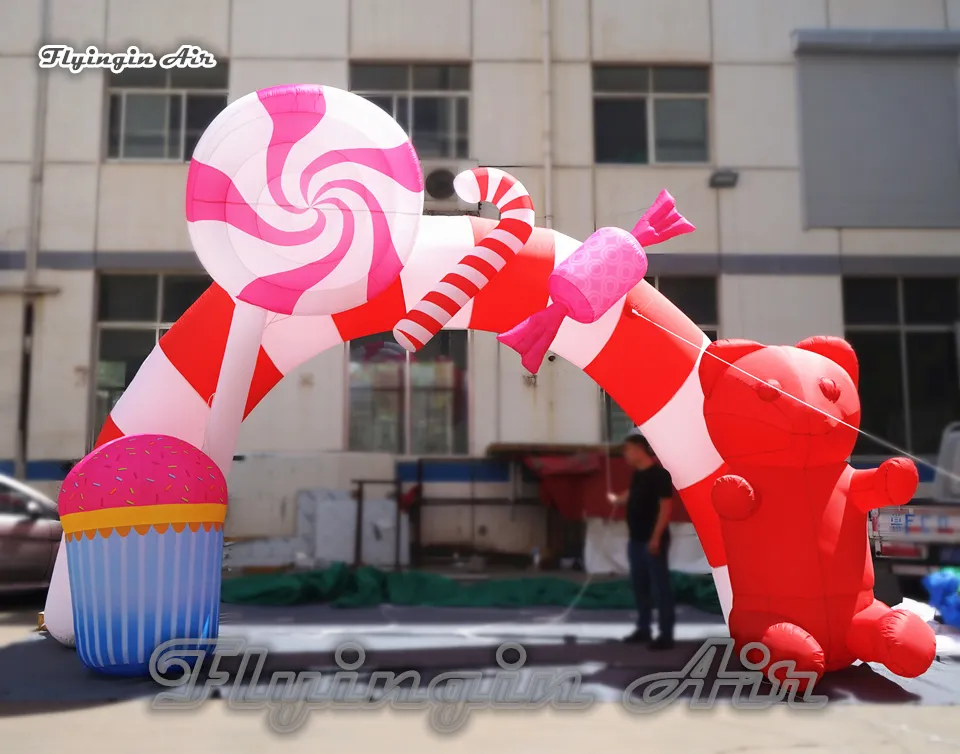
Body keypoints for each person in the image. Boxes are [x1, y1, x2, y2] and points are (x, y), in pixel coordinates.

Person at [608, 428, 676, 649]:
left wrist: (655, 538)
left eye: (627, 450)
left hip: (652, 540)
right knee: (640, 586)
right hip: (635, 540)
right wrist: (618, 500)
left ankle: (665, 634)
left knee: (660, 587)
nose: (625, 455)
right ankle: (644, 628)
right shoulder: (638, 475)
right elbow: (632, 493)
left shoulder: (660, 475)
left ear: (639, 449)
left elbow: (666, 509)